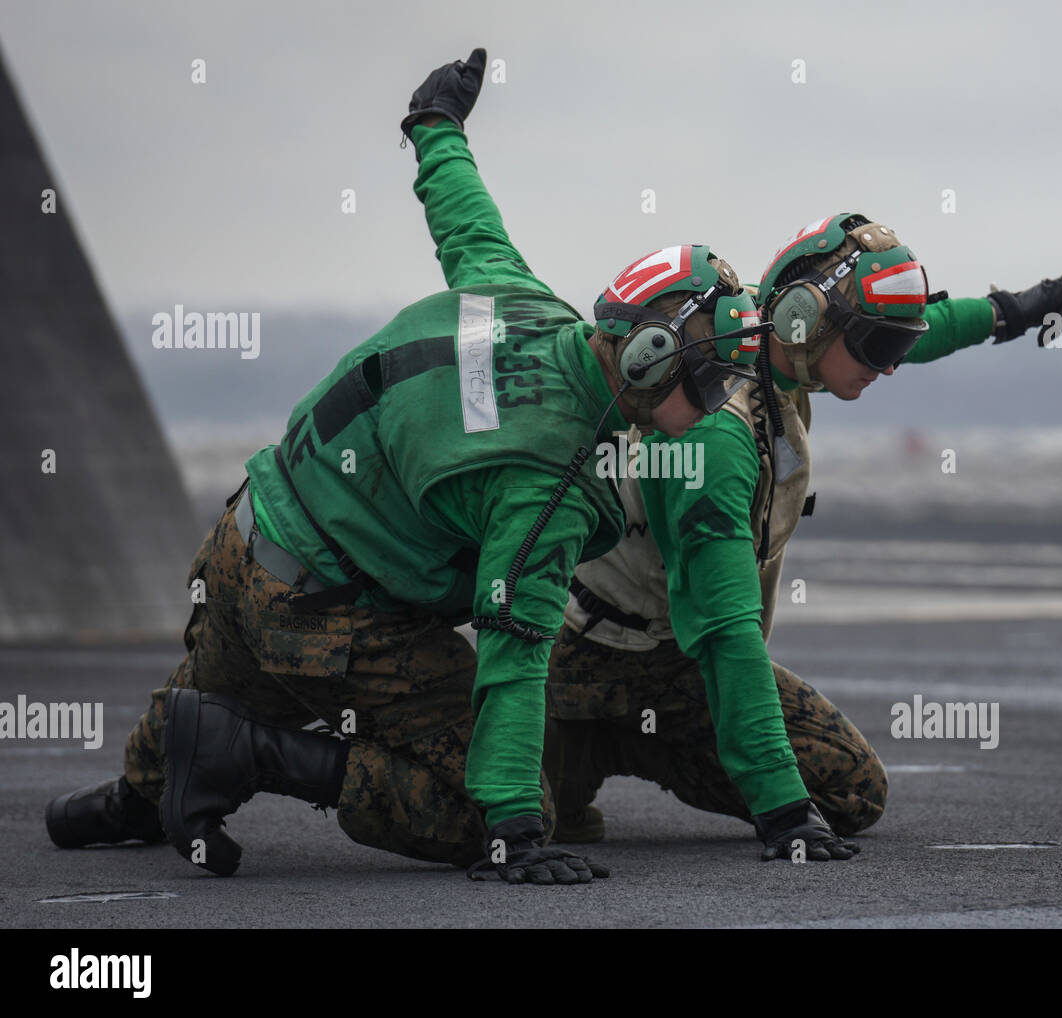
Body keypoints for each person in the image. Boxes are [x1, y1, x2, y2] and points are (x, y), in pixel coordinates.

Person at [43, 50, 764, 886]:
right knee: (475, 796)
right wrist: (513, 829)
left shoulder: (518, 297)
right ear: (646, 356)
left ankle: (130, 803)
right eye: (709, 375)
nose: (717, 400)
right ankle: (252, 757)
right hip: (326, 610)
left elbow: (467, 222)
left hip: (246, 540)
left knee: (204, 700)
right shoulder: (555, 478)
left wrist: (436, 125)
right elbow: (515, 646)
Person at [546, 217, 1062, 859]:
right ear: (807, 321)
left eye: (894, 346)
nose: (888, 367)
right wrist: (782, 812)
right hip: (590, 647)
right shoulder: (716, 430)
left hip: (673, 648)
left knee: (852, 792)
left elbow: (919, 333)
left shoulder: (766, 335)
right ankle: (576, 736)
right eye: (879, 347)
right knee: (490, 817)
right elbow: (726, 629)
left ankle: (624, 737)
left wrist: (1004, 313)